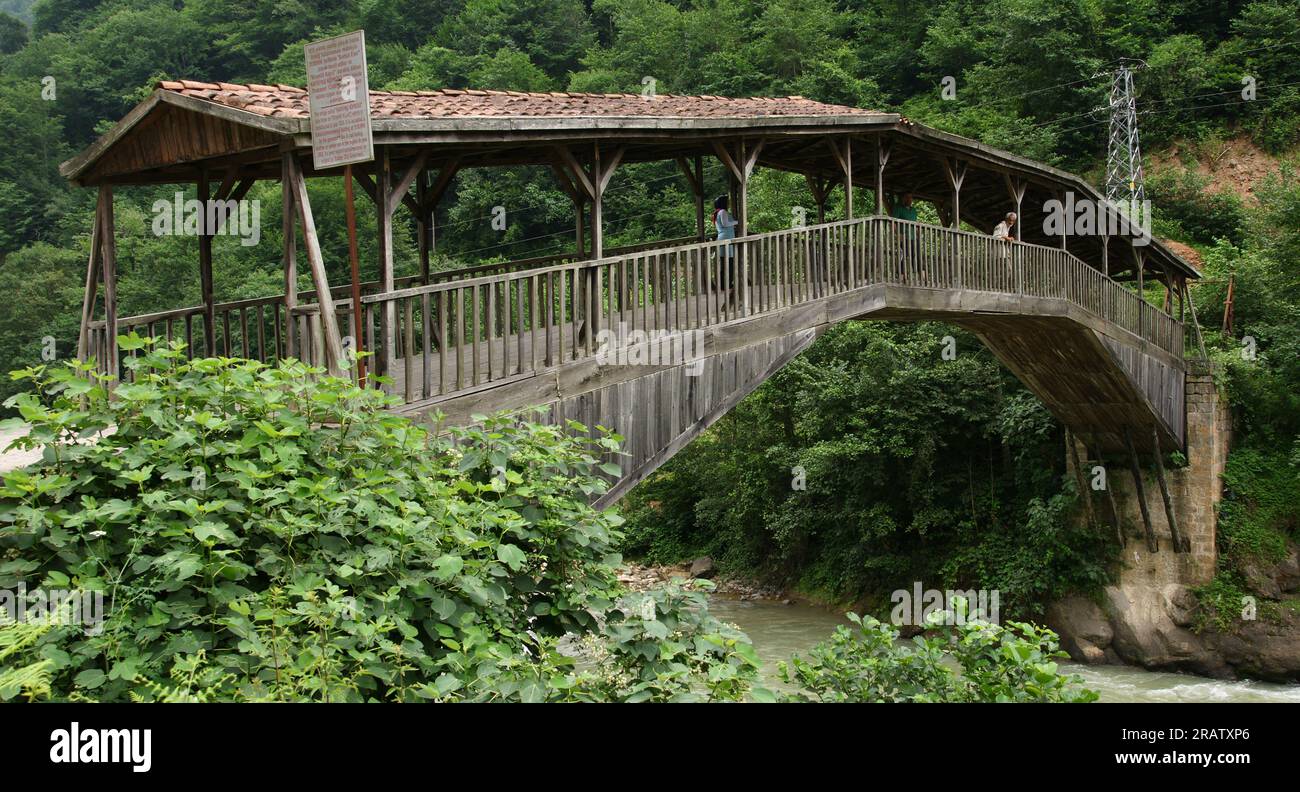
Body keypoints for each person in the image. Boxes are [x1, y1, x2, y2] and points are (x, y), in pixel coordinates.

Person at [714, 195, 738, 304]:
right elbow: (725, 224)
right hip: (726, 239)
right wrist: (736, 222)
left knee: (726, 262)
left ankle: (724, 284)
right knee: (729, 262)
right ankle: (727, 284)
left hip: (724, 238)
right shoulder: (722, 212)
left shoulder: (717, 212)